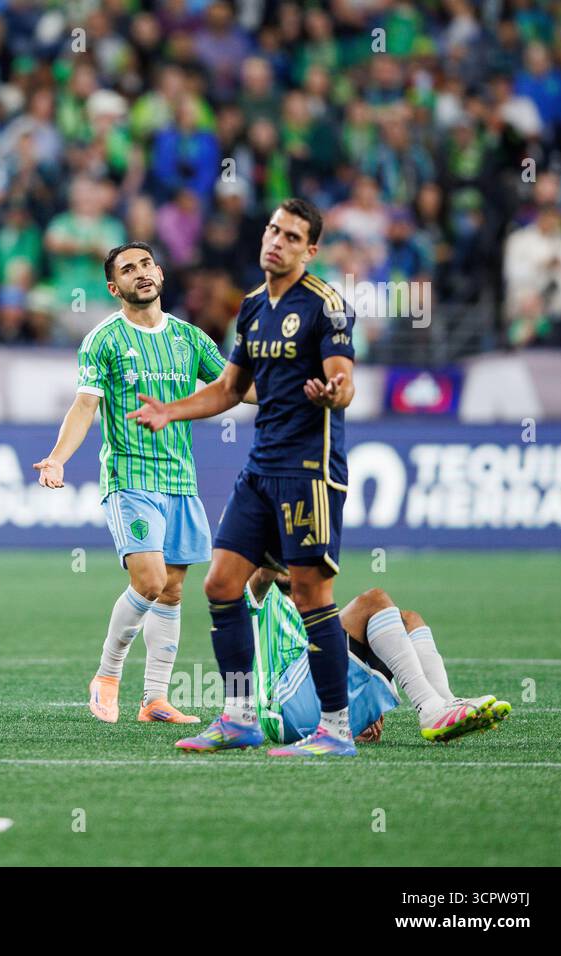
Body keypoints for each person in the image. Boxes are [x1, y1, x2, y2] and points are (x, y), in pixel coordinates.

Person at [130, 198, 404, 756]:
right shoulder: (253, 307)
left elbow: (344, 380)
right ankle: (237, 716)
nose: (276, 241)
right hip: (260, 470)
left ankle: (334, 728)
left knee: (309, 593)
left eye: (292, 236)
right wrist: (169, 411)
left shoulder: (327, 305)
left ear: (311, 250)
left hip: (309, 473)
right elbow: (230, 389)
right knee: (221, 583)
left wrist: (335, 393)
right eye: (273, 230)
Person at [35, 241, 251, 724]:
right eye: (129, 269)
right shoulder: (103, 340)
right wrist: (56, 459)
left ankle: (154, 699)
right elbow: (85, 406)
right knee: (149, 580)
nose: (142, 273)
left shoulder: (190, 339)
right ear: (114, 287)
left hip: (180, 480)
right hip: (130, 478)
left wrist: (290, 388)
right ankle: (107, 674)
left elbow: (237, 388)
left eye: (147, 264)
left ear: (161, 273)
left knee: (172, 591)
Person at [245, 568, 509, 746]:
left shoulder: (313, 600)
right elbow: (259, 578)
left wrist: (359, 709)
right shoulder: (261, 596)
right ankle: (429, 709)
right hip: (283, 707)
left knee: (408, 620)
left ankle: (446, 703)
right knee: (373, 600)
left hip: (316, 701)